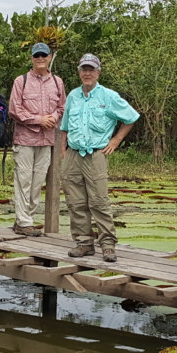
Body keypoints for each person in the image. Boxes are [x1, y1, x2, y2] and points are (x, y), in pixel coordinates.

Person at [59, 53, 138, 263]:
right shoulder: (73, 96)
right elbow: (65, 125)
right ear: (79, 72)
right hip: (73, 154)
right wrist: (63, 148)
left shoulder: (109, 96)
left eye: (91, 69)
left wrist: (116, 140)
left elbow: (131, 117)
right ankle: (84, 243)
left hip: (96, 154)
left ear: (98, 72)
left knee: (99, 201)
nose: (87, 73)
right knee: (75, 202)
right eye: (84, 69)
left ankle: (108, 244)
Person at [9, 42, 66, 237]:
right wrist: (39, 120)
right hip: (25, 139)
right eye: (37, 55)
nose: (40, 58)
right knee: (23, 180)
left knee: (37, 182)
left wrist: (53, 118)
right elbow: (14, 110)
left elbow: (61, 107)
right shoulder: (21, 81)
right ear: (32, 58)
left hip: (47, 140)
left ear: (50, 57)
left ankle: (24, 220)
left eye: (44, 55)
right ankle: (25, 221)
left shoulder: (57, 82)